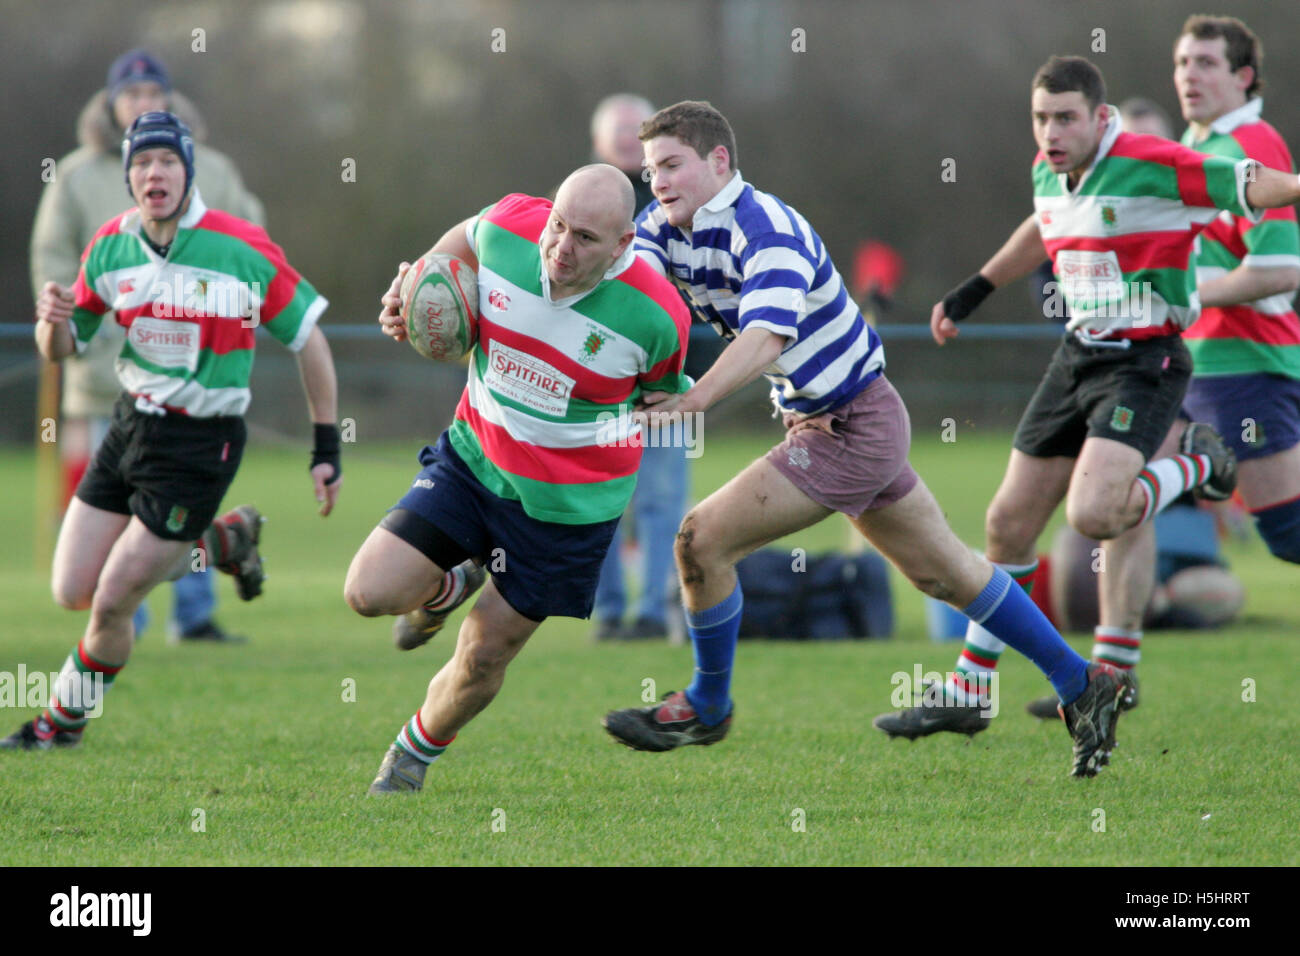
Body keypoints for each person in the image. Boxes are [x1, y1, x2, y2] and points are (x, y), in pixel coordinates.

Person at [598, 100, 1135, 778]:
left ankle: (707, 704)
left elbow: (766, 337)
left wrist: (694, 398)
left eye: (672, 165)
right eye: (650, 172)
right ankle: (1085, 685)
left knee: (698, 540)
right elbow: (625, 284)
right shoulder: (663, 227)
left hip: (851, 426)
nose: (660, 182)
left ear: (719, 162)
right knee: (948, 574)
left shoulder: (768, 229)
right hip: (837, 420)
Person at [873, 54, 1300, 740]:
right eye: (1041, 118)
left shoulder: (1151, 161)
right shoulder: (1050, 166)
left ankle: (1200, 461)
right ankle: (970, 689)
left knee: (1097, 513)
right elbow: (1041, 227)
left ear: (1101, 118)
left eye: (1066, 117)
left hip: (1145, 360)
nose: (1051, 130)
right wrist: (973, 291)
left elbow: (1248, 181)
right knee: (1007, 524)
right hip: (1077, 355)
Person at [1, 111, 340, 751]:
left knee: (111, 604)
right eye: (140, 163)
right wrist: (51, 320)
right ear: (128, 176)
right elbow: (65, 345)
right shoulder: (111, 245)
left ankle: (57, 726)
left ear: (189, 171)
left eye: (167, 161)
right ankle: (226, 540)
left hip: (200, 445)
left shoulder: (237, 247)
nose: (153, 173)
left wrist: (327, 448)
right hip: (130, 427)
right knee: (71, 589)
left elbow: (310, 340)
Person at [349, 164, 692, 795]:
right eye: (558, 226)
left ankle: (409, 756)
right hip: (474, 459)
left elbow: (661, 403)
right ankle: (448, 585)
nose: (562, 248)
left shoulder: (657, 315)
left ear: (623, 245)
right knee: (369, 592)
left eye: (586, 239)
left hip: (567, 509)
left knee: (482, 656)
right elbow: (460, 244)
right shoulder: (509, 228)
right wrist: (413, 292)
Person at [1022, 15, 1300, 720]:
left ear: (1243, 77)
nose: (1188, 76)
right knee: (1122, 502)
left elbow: (1279, 270)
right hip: (1180, 361)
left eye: (1206, 63)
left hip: (1245, 363)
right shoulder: (1195, 145)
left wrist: (1163, 295)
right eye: (1181, 62)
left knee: (1288, 532)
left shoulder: (1252, 144)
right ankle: (1113, 674)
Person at [30, 48, 266, 644]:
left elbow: (254, 244)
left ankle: (192, 615)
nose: (140, 102)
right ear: (110, 105)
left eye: (150, 92)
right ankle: (119, 612)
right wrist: (69, 315)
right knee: (104, 508)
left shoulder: (212, 168)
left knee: (175, 508)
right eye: (129, 94)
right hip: (99, 377)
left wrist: (238, 307)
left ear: (168, 101)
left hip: (191, 378)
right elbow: (53, 257)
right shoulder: (77, 173)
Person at [586, 94, 690, 642]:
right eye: (617, 129)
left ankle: (654, 612)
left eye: (637, 128)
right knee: (598, 500)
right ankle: (605, 612)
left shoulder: (682, 204)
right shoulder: (578, 207)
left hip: (667, 389)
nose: (628, 137)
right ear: (598, 143)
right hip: (597, 389)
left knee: (661, 501)